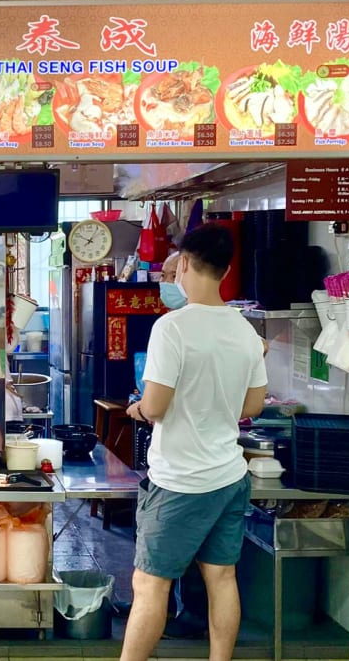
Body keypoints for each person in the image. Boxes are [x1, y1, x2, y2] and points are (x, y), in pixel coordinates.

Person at [121, 223, 268, 661]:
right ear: (224, 271)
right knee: (221, 578)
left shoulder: (173, 328)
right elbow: (254, 405)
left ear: (184, 264)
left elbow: (157, 405)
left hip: (182, 482)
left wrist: (140, 409)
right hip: (228, 476)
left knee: (150, 584)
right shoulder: (245, 331)